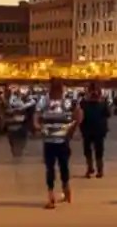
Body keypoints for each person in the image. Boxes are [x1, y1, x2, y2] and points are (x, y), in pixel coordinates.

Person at [35, 78, 83, 209]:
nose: (56, 90)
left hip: (63, 140)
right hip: (49, 140)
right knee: (50, 168)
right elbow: (37, 115)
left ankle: (66, 188)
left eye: (58, 88)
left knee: (63, 166)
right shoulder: (44, 100)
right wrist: (37, 125)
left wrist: (72, 128)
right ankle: (51, 195)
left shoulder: (68, 100)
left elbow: (78, 114)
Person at [79, 82, 111, 179]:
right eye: (92, 91)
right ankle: (91, 168)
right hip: (89, 130)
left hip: (97, 130)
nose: (94, 93)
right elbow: (79, 115)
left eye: (95, 91)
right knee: (88, 151)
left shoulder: (101, 103)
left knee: (98, 150)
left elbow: (108, 114)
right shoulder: (84, 103)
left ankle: (98, 169)